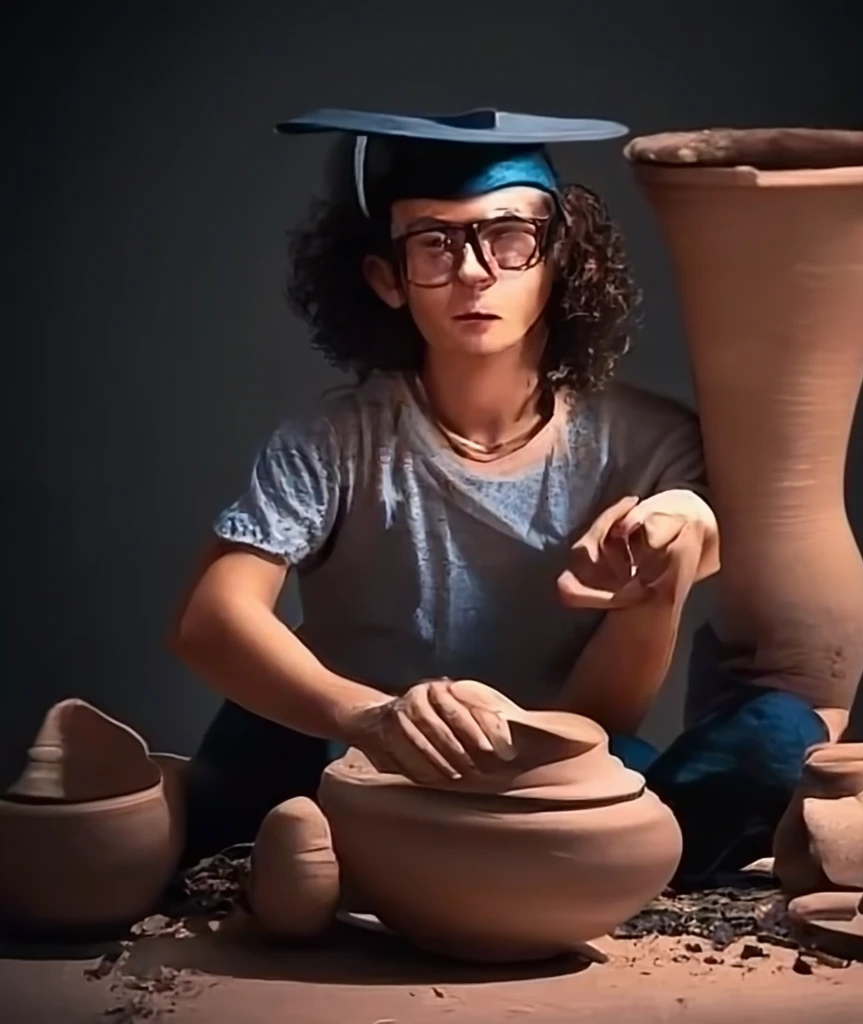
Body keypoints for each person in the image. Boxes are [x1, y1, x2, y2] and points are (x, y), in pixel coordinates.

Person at [171, 108, 826, 885]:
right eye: (434, 244)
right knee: (259, 732)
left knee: (777, 737)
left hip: (545, 778)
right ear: (387, 278)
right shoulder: (334, 440)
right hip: (358, 771)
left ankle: (517, 877)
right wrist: (371, 718)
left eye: (509, 237)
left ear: (560, 260)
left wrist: (662, 571)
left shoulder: (647, 444)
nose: (475, 271)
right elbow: (212, 620)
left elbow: (603, 720)